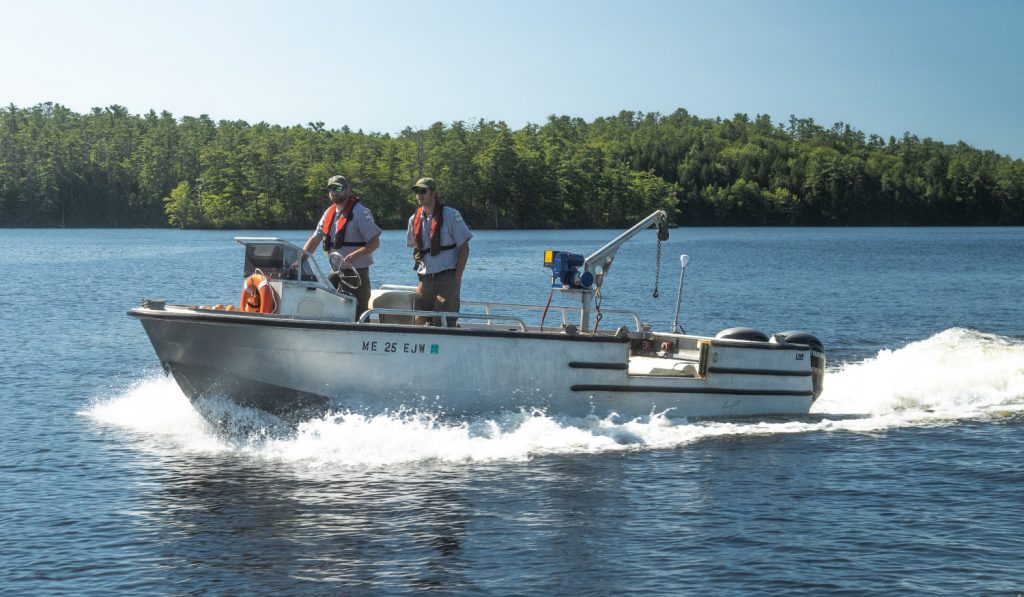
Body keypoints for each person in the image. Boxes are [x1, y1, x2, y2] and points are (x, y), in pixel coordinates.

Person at [301, 175, 381, 318]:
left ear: (347, 190)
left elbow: (375, 242)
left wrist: (356, 255)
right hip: (337, 272)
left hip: (357, 274)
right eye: (331, 189)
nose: (334, 192)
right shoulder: (329, 213)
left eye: (338, 188)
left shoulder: (360, 212)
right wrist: (299, 259)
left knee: (359, 313)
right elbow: (315, 239)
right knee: (329, 307)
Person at [406, 177, 472, 326]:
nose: (419, 195)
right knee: (419, 319)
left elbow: (464, 248)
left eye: (423, 191)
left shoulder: (451, 215)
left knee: (443, 321)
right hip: (426, 278)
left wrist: (457, 277)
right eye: (417, 191)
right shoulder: (413, 219)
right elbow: (416, 250)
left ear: (434, 193)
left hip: (447, 276)